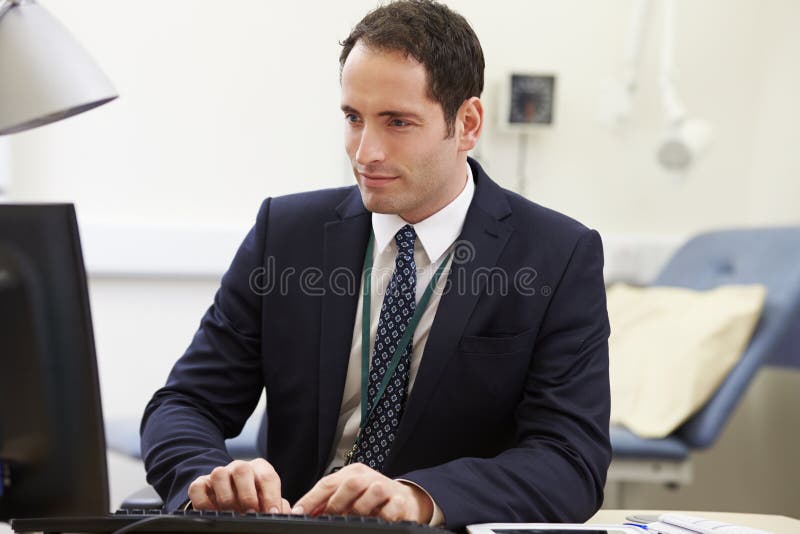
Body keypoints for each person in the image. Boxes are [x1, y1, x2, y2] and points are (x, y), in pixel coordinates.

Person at [140, 1, 611, 530]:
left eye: (397, 122)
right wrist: (211, 477)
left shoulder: (556, 255)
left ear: (468, 123)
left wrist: (419, 498)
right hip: (290, 524)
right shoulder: (285, 233)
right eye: (353, 118)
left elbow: (570, 460)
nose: (365, 152)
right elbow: (183, 405)